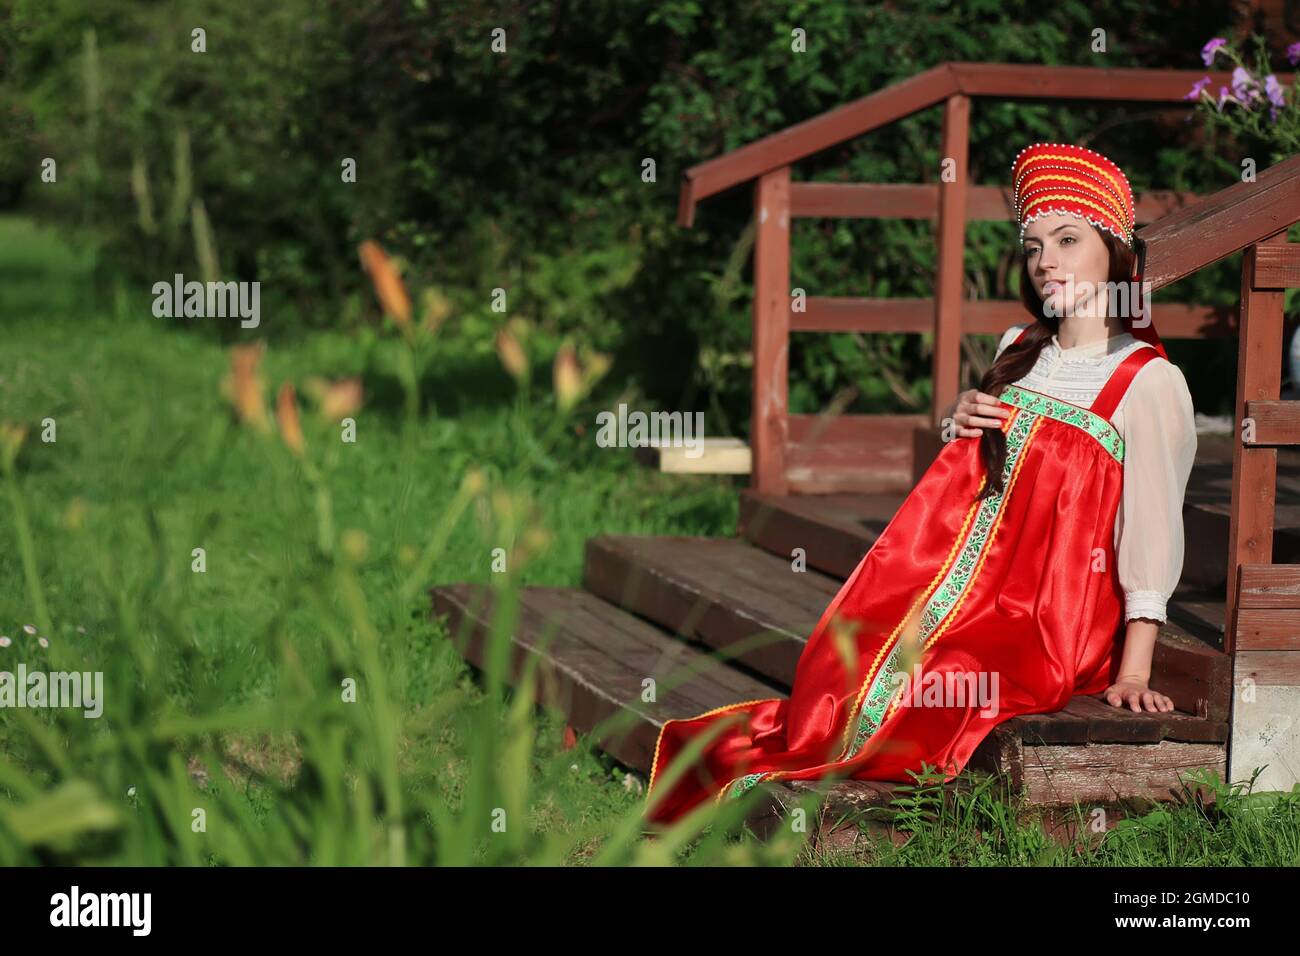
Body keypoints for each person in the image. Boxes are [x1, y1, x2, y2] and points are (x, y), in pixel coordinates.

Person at [644, 142, 1198, 828]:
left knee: (944, 677)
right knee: (848, 644)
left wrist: (1135, 670)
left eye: (1067, 240)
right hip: (966, 582)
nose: (1045, 262)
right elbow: (975, 488)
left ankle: (857, 805)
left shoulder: (1148, 380)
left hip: (1049, 614)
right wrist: (959, 422)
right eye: (1033, 247)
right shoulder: (1017, 347)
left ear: (1114, 252)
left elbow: (1151, 525)